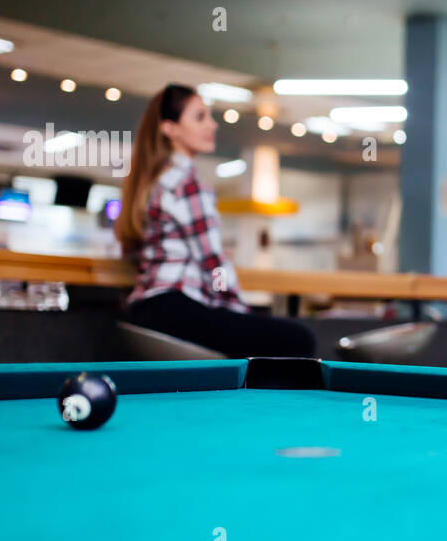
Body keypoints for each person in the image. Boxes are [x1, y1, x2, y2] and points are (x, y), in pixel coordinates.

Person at [116, 84, 316, 357]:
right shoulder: (187, 184)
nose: (212, 125)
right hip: (175, 309)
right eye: (199, 117)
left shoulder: (148, 183)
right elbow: (213, 264)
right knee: (298, 338)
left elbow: (134, 252)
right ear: (170, 128)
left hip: (146, 310)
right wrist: (240, 311)